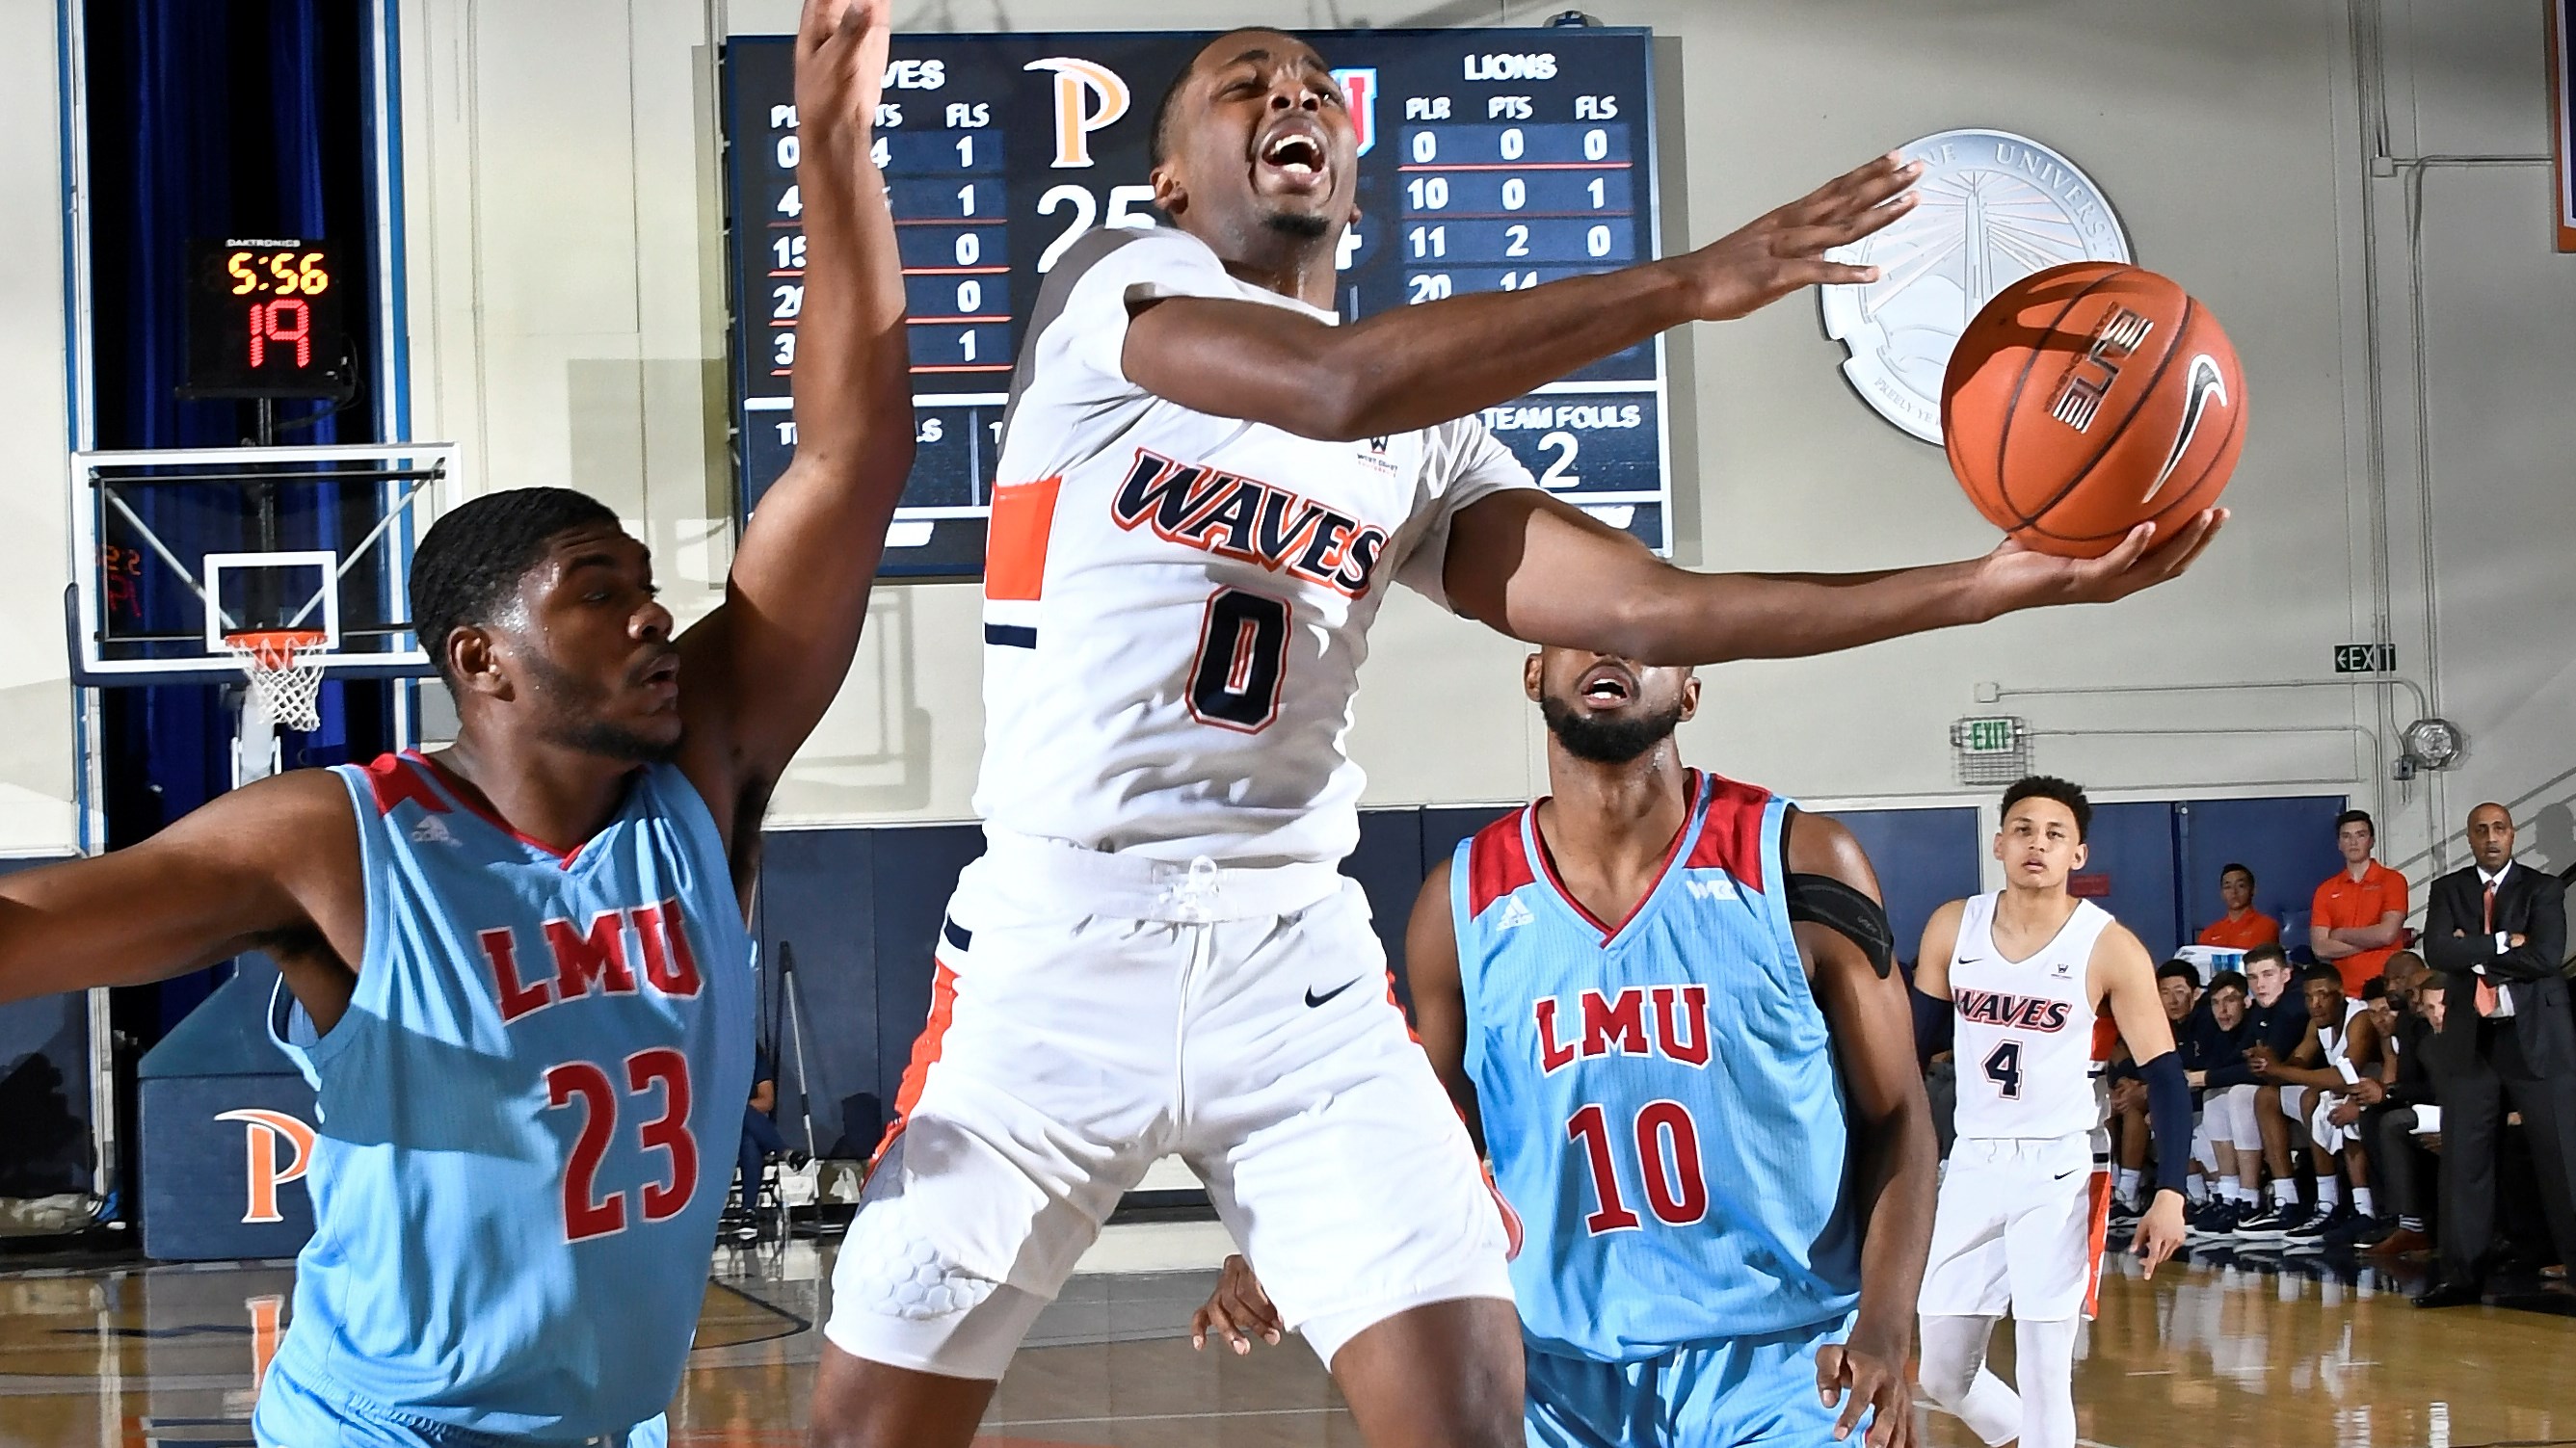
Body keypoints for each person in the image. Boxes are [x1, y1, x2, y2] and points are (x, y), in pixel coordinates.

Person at [806, 28, 2223, 1448]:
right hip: (1060, 944)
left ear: (1351, 180)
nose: (1292, 93)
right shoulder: (1114, 290)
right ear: (1170, 180)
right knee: (869, 1430)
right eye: (1244, 82)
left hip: (1289, 966)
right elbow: (1334, 382)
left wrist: (1982, 585)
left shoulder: (1419, 450)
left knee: (1473, 1413)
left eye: (1312, 85)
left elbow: (1660, 606)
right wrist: (1693, 282)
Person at [0, 5, 910, 1442]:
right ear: (481, 657)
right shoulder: (335, 839)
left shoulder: (703, 776)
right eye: (599, 594)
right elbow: (29, 929)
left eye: (650, 587)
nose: (654, 617)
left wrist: (834, 138)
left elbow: (849, 461)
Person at [1188, 648, 1936, 1448]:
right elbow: (1421, 1145)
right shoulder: (1462, 901)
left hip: (1785, 1363)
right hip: (1554, 1379)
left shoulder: (1798, 862)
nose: (1608, 649)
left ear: (1688, 690)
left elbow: (1898, 1115)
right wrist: (1294, 1246)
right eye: (1575, 630)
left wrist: (1888, 1325)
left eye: (1645, 635)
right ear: (1533, 672)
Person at [1913, 777, 2191, 1448]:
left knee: (2044, 1370)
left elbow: (2165, 1078)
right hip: (1973, 1159)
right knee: (1943, 1374)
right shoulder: (1954, 924)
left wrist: (2170, 1192)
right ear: (1999, 841)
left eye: (2054, 833)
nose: (2037, 843)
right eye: (2023, 829)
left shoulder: (2108, 944)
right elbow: (1909, 1050)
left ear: (2077, 853)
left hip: (2059, 1167)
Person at [2414, 803, 2576, 1307]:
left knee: (2563, 1160)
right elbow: (2438, 952)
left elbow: (2547, 956)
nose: (2491, 837)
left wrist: (2477, 950)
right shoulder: (2449, 889)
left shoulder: (2542, 888)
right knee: (2465, 1160)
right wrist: (2506, 942)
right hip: (2473, 1039)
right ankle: (2462, 1278)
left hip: (2535, 1037)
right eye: (2481, 830)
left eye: (2499, 829)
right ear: (2469, 837)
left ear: (2512, 835)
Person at [2254, 965, 2376, 1245]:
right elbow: (2299, 1061)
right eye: (2309, 997)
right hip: (2340, 1095)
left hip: (2368, 1093)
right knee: (2266, 1096)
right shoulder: (2316, 1022)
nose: (2315, 1004)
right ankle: (2288, 1201)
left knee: (2313, 1098)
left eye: (2322, 995)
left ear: (2341, 993)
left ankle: (2339, 1205)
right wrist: (2268, 1064)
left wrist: (2281, 1071)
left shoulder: (2359, 1018)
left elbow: (2342, 1077)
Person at [2214, 944, 2321, 1240]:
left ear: (2287, 974)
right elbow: (2240, 1056)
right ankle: (2242, 1198)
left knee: (2252, 1094)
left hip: (2318, 1085)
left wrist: (2203, 1076)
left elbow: (2267, 1066)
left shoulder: (2293, 1005)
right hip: (2288, 1085)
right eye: (2252, 977)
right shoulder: (2263, 1005)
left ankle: (2324, 1204)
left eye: (2268, 974)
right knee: (2225, 1097)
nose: (2260, 984)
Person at [2107, 961, 2201, 1219]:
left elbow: (2191, 1074)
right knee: (2111, 1104)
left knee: (2141, 1108)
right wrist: (2128, 1082)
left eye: (2179, 991)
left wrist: (2142, 1089)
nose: (2172, 1000)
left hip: (2197, 1098)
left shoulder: (2202, 1022)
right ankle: (2116, 1188)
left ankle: (2133, 1193)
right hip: (2162, 1096)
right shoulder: (2151, 1023)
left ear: (2195, 993)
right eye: (2165, 992)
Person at [2181, 970, 2257, 1238]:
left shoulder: (2256, 1023)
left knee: (2231, 1096)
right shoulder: (2217, 1032)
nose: (2222, 1010)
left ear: (2247, 1001)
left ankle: (2250, 1199)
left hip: (2264, 1097)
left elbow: (2254, 1070)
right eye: (2216, 1003)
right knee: (2211, 1101)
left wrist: (2206, 1077)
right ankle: (2228, 1196)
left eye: (2230, 1001)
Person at [2311, 810, 2409, 998]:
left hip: (2387, 991)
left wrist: (2341, 934)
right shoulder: (2326, 889)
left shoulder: (2393, 880)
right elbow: (2320, 947)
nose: (2353, 842)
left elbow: (2387, 934)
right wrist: (2374, 940)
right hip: (2343, 993)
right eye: (2346, 836)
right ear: (2339, 844)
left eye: (2360, 835)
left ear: (2371, 841)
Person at [2196, 863, 2279, 952]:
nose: (2234, 892)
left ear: (2253, 890)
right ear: (2222, 894)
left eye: (2241, 886)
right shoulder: (2209, 933)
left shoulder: (2266, 925)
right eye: (2227, 887)